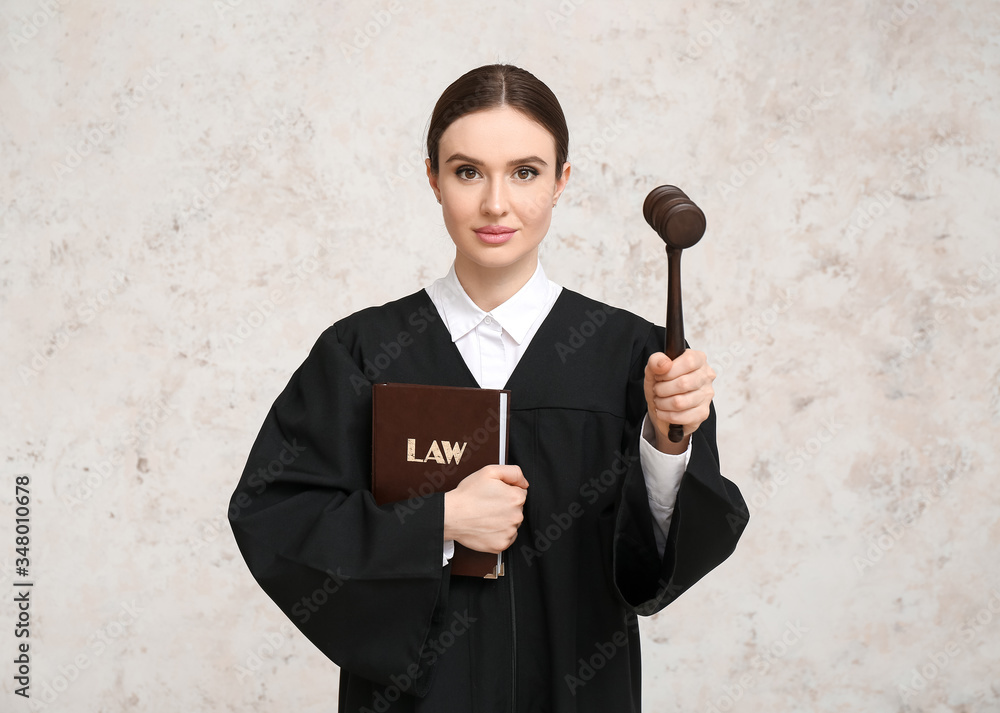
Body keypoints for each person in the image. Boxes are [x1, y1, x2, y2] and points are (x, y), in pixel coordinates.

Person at [228, 63, 749, 713]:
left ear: (561, 182)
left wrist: (665, 445)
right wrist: (438, 521)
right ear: (433, 179)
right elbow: (277, 517)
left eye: (525, 172)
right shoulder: (360, 354)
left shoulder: (632, 360)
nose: (495, 204)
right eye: (467, 171)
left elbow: (650, 571)